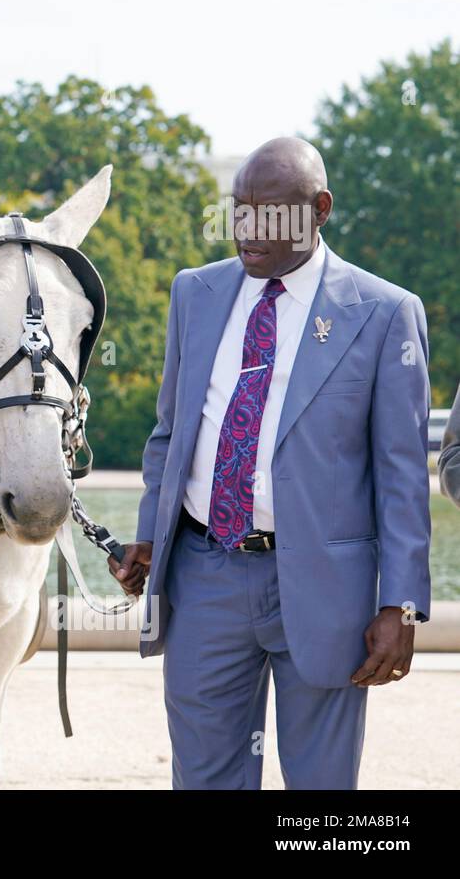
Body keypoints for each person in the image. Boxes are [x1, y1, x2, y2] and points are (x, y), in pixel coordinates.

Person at [113, 136, 431, 789]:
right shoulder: (195, 293)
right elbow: (171, 434)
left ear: (320, 209)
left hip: (325, 590)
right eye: (239, 210)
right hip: (205, 575)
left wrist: (401, 604)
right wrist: (151, 533)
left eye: (271, 214)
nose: (248, 230)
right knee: (205, 780)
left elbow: (402, 478)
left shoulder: (384, 314)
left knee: (320, 787)